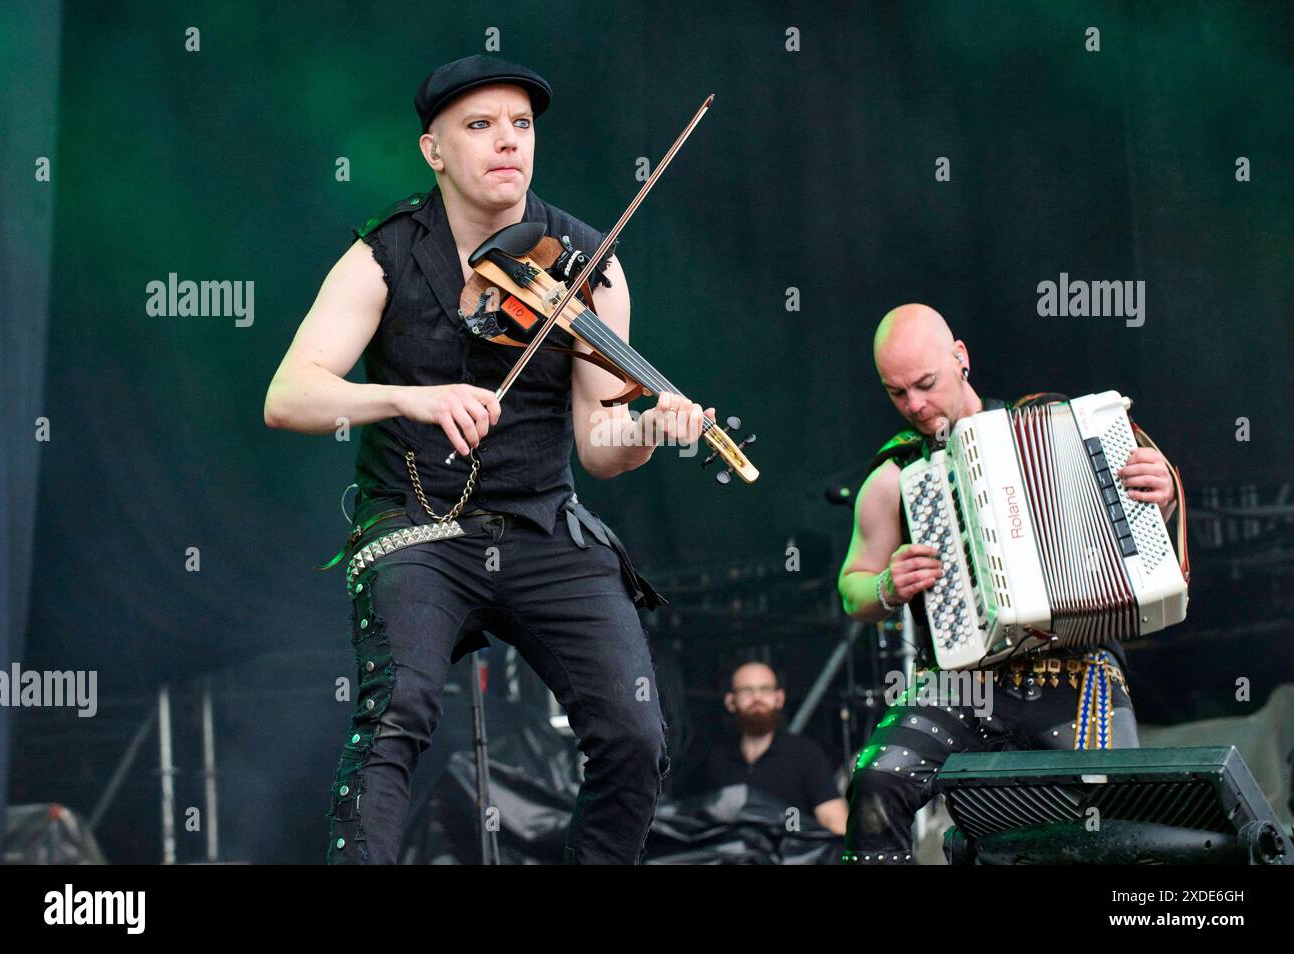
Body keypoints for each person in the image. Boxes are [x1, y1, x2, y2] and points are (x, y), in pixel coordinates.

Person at [264, 54, 713, 864]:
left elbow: (599, 448)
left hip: (543, 524)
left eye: (521, 126)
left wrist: (648, 429)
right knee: (396, 711)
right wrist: (411, 398)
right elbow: (290, 394)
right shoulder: (386, 254)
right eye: (480, 127)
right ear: (434, 150)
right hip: (415, 522)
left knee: (635, 734)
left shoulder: (586, 263)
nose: (507, 142)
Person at [835, 303, 1180, 863]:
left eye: (925, 384)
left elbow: (1138, 518)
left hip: (1075, 666)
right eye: (897, 394)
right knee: (877, 780)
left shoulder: (1062, 425)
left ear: (961, 358)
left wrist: (1159, 491)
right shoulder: (894, 477)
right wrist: (885, 589)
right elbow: (853, 587)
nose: (915, 406)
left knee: (1117, 817)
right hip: (962, 682)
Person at [705, 662, 848, 834]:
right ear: (730, 702)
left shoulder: (805, 753)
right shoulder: (713, 758)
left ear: (779, 698)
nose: (757, 698)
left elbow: (836, 823)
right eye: (746, 690)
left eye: (765, 689)